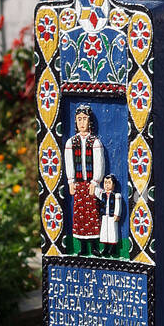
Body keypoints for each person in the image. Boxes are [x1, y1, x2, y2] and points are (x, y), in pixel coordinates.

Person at [64, 105, 105, 255]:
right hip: (79, 184)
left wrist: (95, 181)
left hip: (90, 184)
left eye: (85, 119)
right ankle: (82, 247)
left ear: (90, 121)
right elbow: (69, 162)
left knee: (92, 214)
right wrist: (70, 181)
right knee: (79, 216)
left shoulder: (95, 142)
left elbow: (99, 163)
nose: (82, 122)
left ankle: (94, 246)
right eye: (79, 119)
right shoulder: (71, 142)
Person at [96, 173, 122, 255]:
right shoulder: (102, 194)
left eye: (109, 183)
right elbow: (96, 191)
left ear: (113, 185)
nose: (107, 185)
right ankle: (106, 248)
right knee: (104, 232)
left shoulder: (116, 195)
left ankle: (113, 249)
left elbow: (118, 205)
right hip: (104, 215)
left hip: (112, 216)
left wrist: (117, 214)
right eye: (105, 183)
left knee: (112, 231)